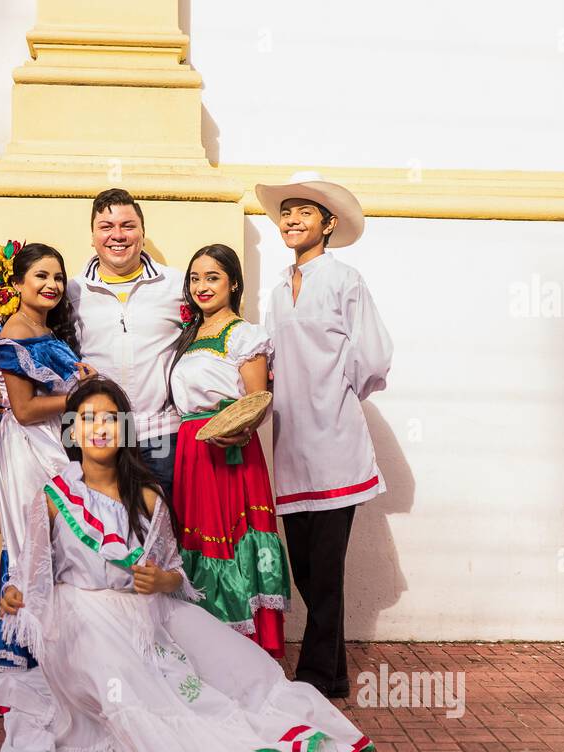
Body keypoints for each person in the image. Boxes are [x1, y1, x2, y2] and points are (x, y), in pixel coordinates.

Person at [0, 376, 373, 752]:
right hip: (81, 615)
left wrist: (160, 581)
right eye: (87, 419)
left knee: (238, 668)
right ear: (72, 432)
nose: (99, 427)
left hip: (147, 611)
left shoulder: (147, 495)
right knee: (133, 692)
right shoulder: (53, 498)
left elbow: (176, 574)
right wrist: (14, 594)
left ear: (124, 429)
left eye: (109, 418)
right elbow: (30, 574)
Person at [254, 171, 393, 699]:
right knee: (306, 568)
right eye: (286, 212)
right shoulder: (274, 292)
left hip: (335, 441)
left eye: (305, 212)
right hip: (290, 443)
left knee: (327, 567)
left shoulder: (345, 279)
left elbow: (373, 353)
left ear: (328, 224)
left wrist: (334, 394)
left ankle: (314, 677)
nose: (291, 220)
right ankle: (333, 673)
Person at [0, 241, 94, 673]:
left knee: (56, 539)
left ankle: (52, 652)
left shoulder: (45, 330)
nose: (53, 284)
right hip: (28, 447)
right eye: (41, 276)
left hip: (47, 441)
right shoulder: (18, 331)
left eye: (58, 277)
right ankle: (21, 654)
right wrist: (81, 397)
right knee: (33, 540)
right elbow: (23, 410)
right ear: (17, 283)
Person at [166, 244, 291, 657]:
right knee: (198, 543)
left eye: (213, 277)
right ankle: (206, 647)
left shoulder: (244, 334)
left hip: (229, 452)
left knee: (232, 543)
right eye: (195, 278)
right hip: (190, 450)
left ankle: (247, 650)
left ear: (233, 282)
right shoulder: (188, 335)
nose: (201, 286)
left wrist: (238, 432)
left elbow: (258, 400)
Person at [67, 188, 185, 502]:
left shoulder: (177, 285)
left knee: (164, 533)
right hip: (96, 435)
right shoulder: (70, 290)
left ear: (142, 234)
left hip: (159, 433)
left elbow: (210, 337)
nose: (117, 235)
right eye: (106, 227)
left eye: (127, 226)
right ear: (92, 236)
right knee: (103, 534)